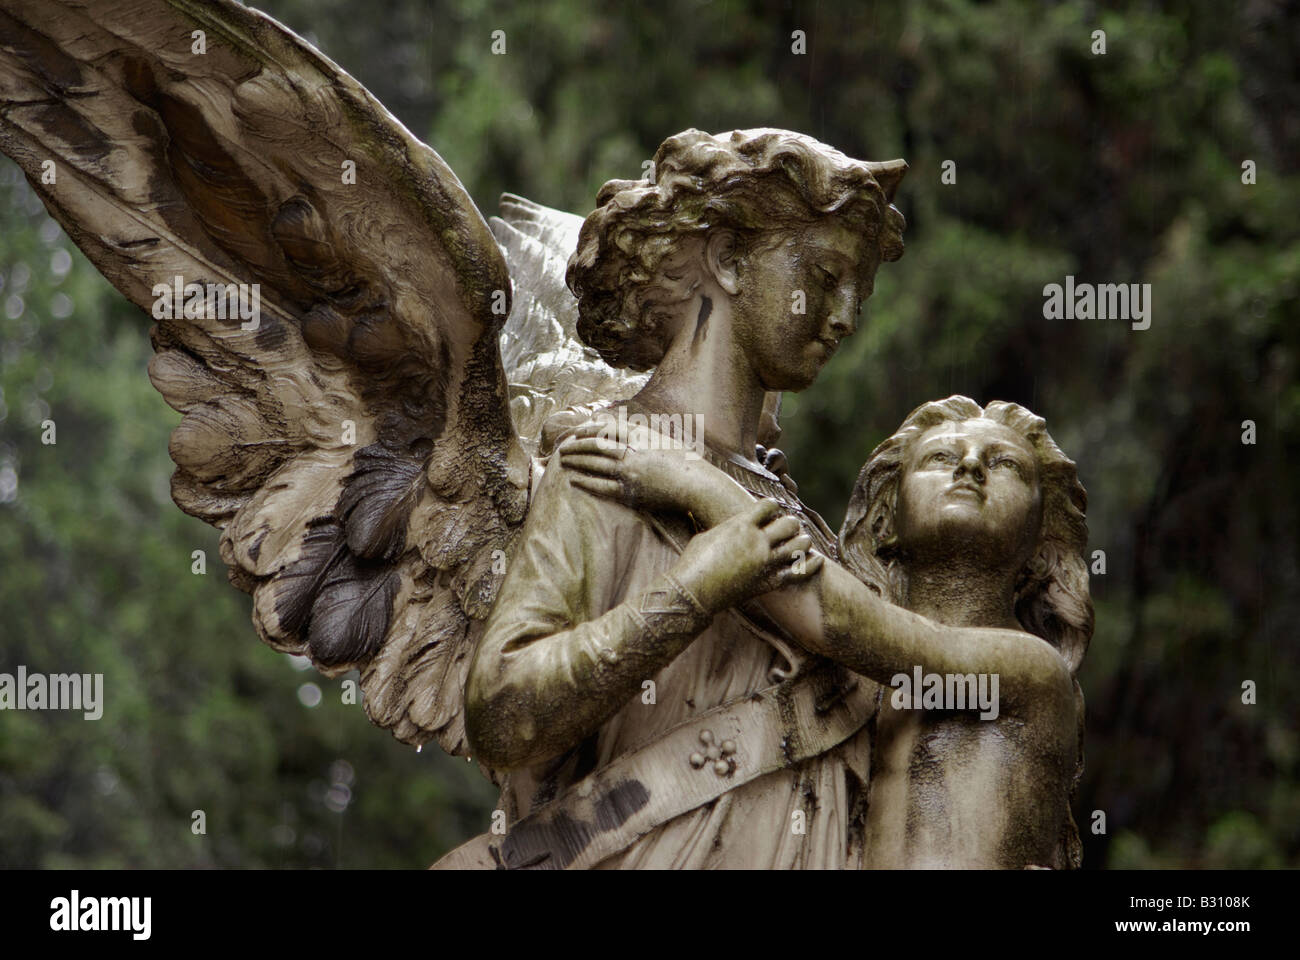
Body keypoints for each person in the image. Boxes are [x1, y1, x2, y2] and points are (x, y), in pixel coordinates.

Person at [451, 128, 908, 869]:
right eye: (824, 277)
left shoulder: (782, 502)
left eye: (860, 291)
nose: (847, 314)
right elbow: (503, 713)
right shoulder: (610, 463)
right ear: (729, 260)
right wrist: (696, 589)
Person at [561, 395, 1091, 868]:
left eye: (1004, 465)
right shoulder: (850, 686)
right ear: (887, 520)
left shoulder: (1032, 672)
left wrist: (693, 480)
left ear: (1043, 548)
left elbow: (836, 617)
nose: (971, 467)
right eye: (941, 459)